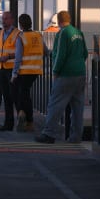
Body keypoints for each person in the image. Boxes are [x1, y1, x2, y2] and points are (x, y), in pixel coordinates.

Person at [35, 10, 88, 144]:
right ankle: (76, 136)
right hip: (80, 73)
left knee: (55, 105)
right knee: (77, 108)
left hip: (66, 74)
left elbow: (60, 54)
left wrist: (55, 71)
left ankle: (49, 133)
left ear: (58, 21)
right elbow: (85, 53)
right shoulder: (79, 33)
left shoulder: (63, 33)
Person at [12, 14, 46, 132]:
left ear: (20, 25)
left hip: (24, 70)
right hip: (36, 70)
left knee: (22, 93)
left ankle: (25, 115)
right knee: (24, 93)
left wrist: (14, 73)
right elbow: (46, 51)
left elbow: (18, 57)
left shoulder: (21, 37)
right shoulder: (38, 35)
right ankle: (25, 116)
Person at [0, 11, 20, 131]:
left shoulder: (18, 34)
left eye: (6, 19)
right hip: (2, 68)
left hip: (12, 68)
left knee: (15, 96)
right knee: (6, 97)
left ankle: (22, 122)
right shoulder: (0, 33)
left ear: (12, 20)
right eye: (3, 19)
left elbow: (21, 52)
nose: (4, 21)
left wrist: (9, 57)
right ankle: (8, 124)